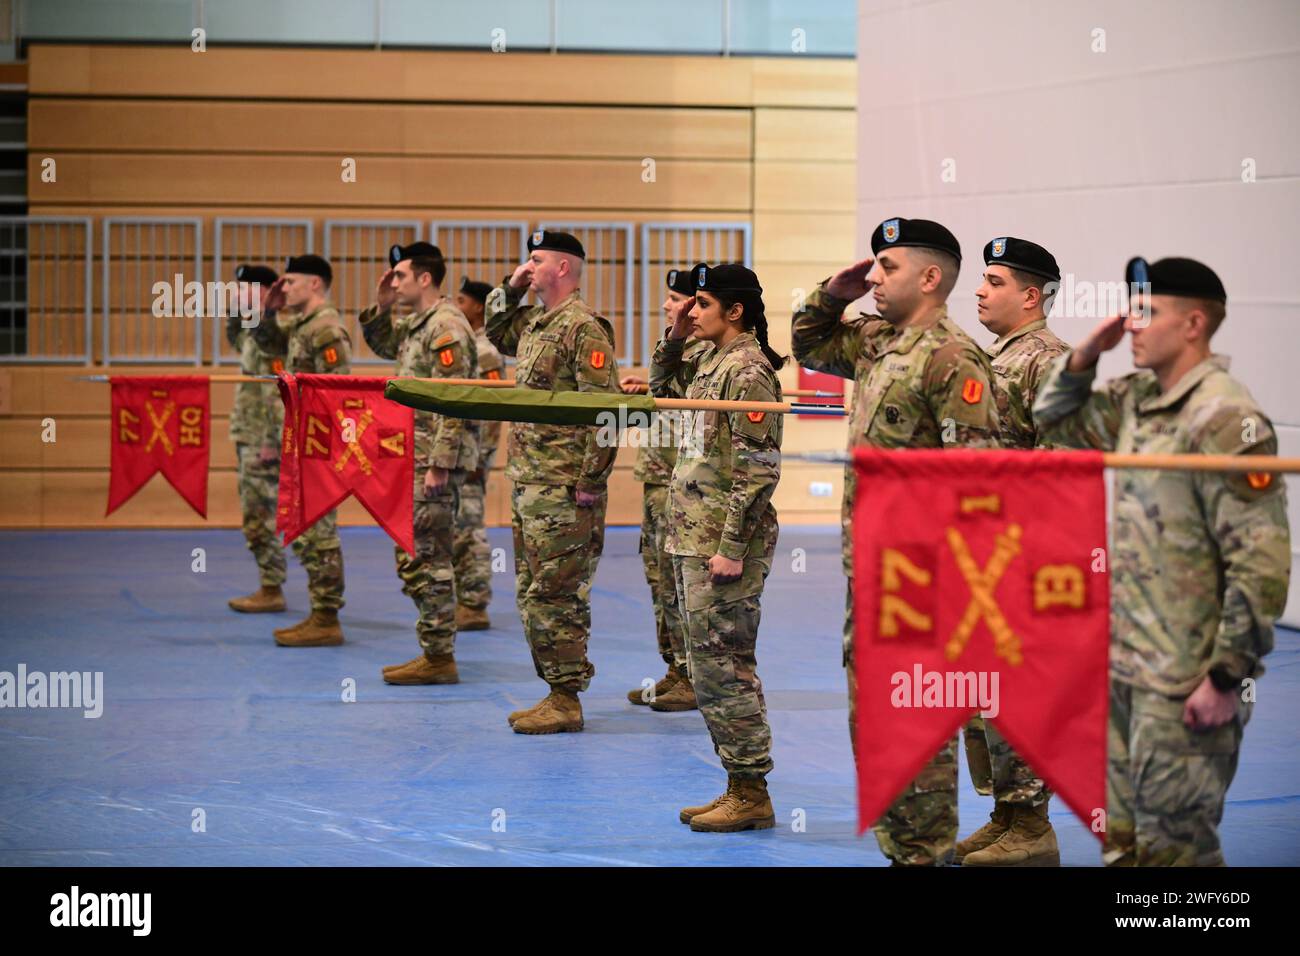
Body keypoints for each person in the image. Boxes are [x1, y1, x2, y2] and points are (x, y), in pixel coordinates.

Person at [1033, 255, 1291, 866]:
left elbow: (1261, 561)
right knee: (1124, 846)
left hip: (1186, 677)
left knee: (1176, 854)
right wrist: (1085, 356)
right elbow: (1054, 422)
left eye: (1147, 313)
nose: (1134, 326)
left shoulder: (1227, 418)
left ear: (1194, 324)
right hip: (1126, 664)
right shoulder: (1137, 399)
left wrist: (1227, 675)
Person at [792, 217, 1000, 866]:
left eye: (889, 268)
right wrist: (834, 291)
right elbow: (806, 345)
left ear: (931, 279)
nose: (875, 278)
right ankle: (906, 849)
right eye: (876, 267)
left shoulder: (952, 358)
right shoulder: (877, 341)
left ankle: (925, 852)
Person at [650, 263, 784, 831]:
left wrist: (731, 547)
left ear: (735, 311)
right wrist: (676, 334)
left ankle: (752, 791)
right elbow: (660, 391)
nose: (689, 310)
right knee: (707, 669)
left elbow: (757, 471)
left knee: (725, 668)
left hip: (725, 546)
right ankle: (738, 784)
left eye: (700, 303)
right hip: (693, 536)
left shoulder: (749, 372)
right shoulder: (709, 361)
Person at [956, 236, 1069, 866]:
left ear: (1030, 295)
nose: (979, 290)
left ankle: (1033, 829)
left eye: (994, 281)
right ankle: (1009, 814)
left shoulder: (1049, 361)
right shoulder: (996, 356)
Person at [486, 230, 620, 734]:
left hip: (565, 486)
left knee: (556, 593)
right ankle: (555, 691)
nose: (528, 265)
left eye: (536, 259)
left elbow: (606, 411)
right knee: (533, 592)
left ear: (563, 268)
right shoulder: (536, 323)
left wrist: (591, 479)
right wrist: (512, 286)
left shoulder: (583, 328)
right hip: (530, 480)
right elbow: (495, 330)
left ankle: (566, 698)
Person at [360, 242, 479, 685]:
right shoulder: (418, 324)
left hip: (431, 458)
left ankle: (439, 657)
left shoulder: (446, 326)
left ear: (425, 278)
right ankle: (434, 651)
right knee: (414, 554)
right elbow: (381, 345)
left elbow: (456, 396)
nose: (394, 282)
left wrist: (440, 463)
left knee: (427, 556)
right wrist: (382, 305)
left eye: (400, 276)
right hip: (411, 453)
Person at [619, 265, 708, 713]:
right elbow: (663, 388)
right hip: (658, 478)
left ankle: (693, 674)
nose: (666, 305)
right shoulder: (676, 349)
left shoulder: (706, 352)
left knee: (679, 583)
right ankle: (676, 668)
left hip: (682, 483)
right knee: (660, 583)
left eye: (675, 298)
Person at [259, 254, 351, 647]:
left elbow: (339, 388)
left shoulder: (327, 327)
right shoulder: (300, 323)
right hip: (303, 439)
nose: (285, 287)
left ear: (315, 284)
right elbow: (266, 345)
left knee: (321, 529)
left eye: (292, 281)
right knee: (307, 529)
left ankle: (327, 615)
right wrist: (268, 311)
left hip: (320, 442)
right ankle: (319, 611)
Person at [226, 263, 288, 615]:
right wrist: (238, 308)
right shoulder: (255, 326)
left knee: (260, 512)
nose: (240, 293)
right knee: (253, 509)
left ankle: (271, 586)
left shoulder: (276, 328)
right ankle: (269, 581)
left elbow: (275, 390)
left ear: (266, 290)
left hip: (264, 434)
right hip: (246, 427)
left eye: (247, 288)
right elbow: (234, 339)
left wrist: (270, 439)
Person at [451, 276, 505, 632]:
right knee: (458, 522)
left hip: (473, 453)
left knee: (469, 524)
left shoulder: (485, 350)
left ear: (478, 307)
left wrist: (479, 457)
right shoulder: (467, 343)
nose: (456, 304)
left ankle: (474, 602)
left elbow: (491, 407)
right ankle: (464, 596)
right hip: (461, 450)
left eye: (463, 300)